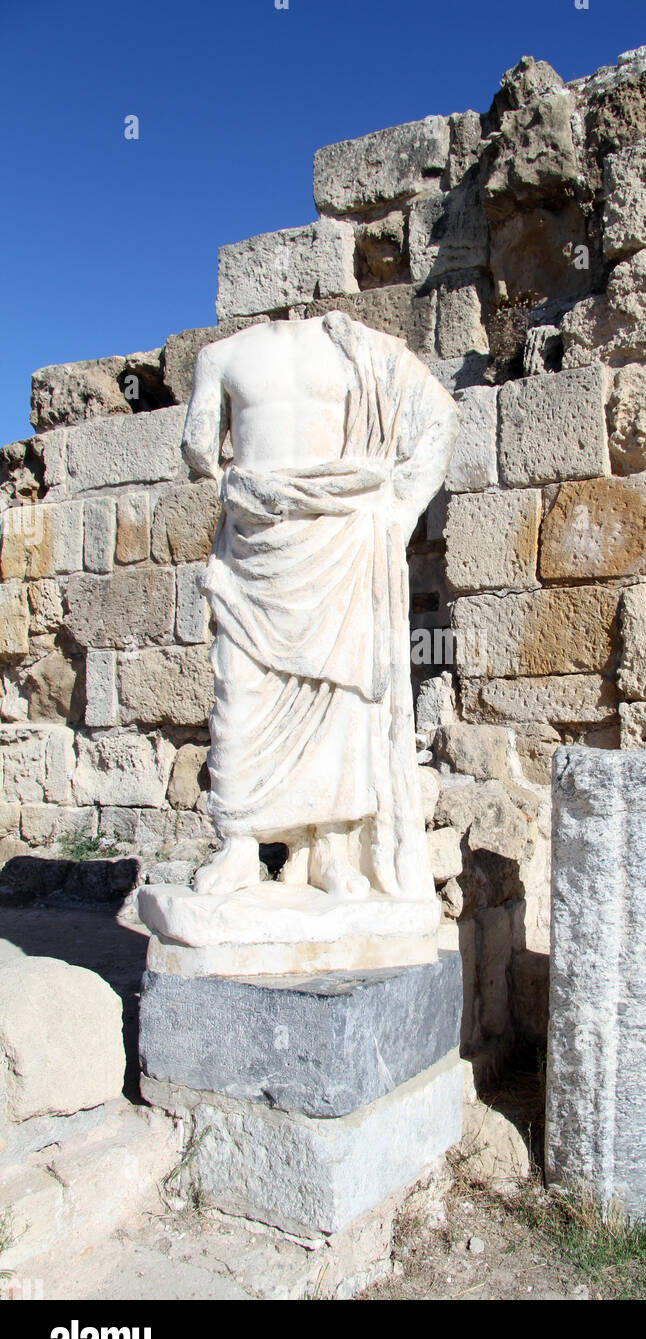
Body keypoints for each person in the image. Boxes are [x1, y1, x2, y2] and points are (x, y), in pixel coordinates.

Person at [181, 312, 458, 901]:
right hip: (262, 556)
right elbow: (440, 415)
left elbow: (198, 448)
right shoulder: (348, 351)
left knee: (333, 695)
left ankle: (326, 847)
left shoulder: (229, 354)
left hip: (337, 541)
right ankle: (240, 843)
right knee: (243, 689)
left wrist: (396, 510)